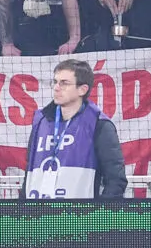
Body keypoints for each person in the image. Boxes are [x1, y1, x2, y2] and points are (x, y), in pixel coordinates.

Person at [22, 59, 127, 199]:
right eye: (55, 82)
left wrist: (100, 212)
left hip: (80, 212)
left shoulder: (100, 125)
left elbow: (116, 181)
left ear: (82, 89)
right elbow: (29, 176)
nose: (56, 88)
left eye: (64, 83)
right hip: (37, 211)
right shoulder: (40, 122)